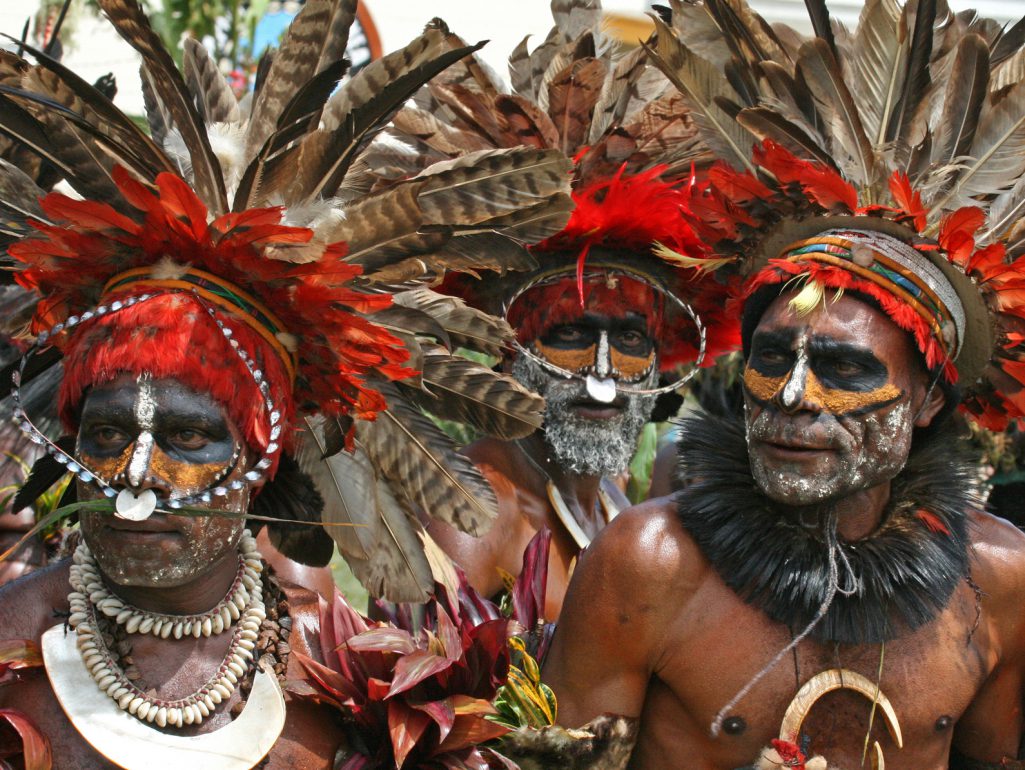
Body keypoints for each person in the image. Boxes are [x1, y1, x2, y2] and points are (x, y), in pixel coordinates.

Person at [0, 0, 571, 765]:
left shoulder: (350, 679)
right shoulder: (9, 648)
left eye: (186, 436)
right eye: (105, 434)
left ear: (261, 456)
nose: (136, 477)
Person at [543, 1, 1025, 766]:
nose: (791, 395)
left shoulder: (998, 584)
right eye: (771, 359)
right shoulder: (646, 565)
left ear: (929, 397)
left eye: (844, 368)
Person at [377, 1, 737, 617]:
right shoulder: (480, 507)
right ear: (509, 349)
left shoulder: (610, 494)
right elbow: (419, 703)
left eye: (628, 340)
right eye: (570, 332)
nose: (601, 379)